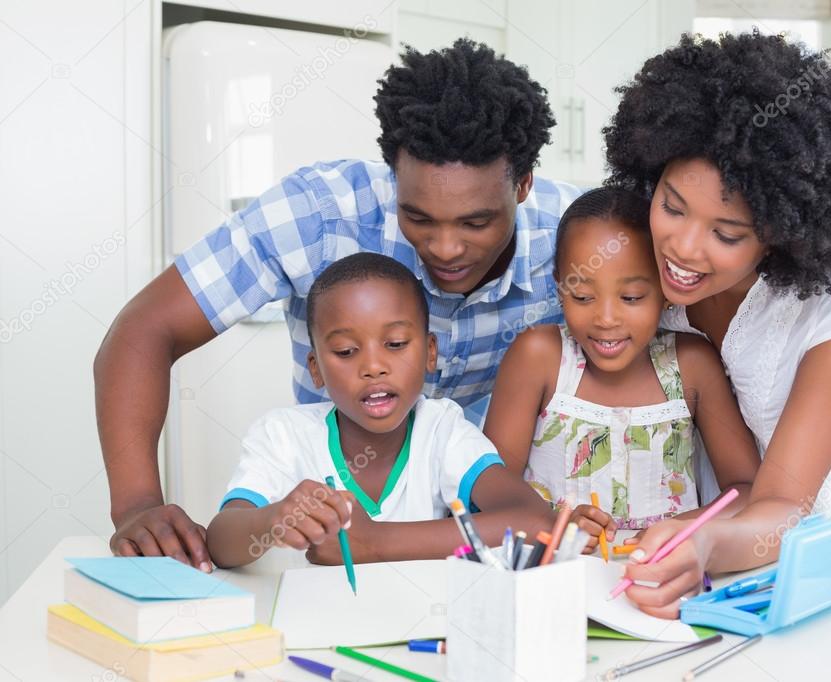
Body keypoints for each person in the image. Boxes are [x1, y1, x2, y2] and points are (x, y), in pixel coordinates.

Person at [94, 39, 580, 570]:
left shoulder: (575, 239)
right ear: (393, 175)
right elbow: (144, 329)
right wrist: (138, 505)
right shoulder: (319, 214)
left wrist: (379, 542)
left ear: (523, 184)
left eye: (476, 222)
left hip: (484, 545)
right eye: (418, 217)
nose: (445, 248)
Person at [602, 32, 831, 617]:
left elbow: (787, 504)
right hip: (707, 549)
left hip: (825, 553)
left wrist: (706, 544)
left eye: (727, 233)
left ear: (781, 233)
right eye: (672, 206)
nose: (683, 249)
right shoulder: (634, 259)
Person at [206, 254, 553, 568]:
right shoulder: (283, 435)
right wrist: (271, 521)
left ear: (430, 353)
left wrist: (375, 542)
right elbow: (221, 543)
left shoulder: (441, 430)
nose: (373, 367)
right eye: (345, 351)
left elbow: (536, 521)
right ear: (315, 369)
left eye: (396, 344)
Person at [485, 187, 761, 552]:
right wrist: (554, 524)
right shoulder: (538, 357)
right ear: (559, 287)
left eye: (631, 298)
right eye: (582, 296)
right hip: (556, 573)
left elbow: (747, 490)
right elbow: (489, 491)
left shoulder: (692, 365)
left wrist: (680, 529)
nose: (606, 318)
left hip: (663, 574)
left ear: (666, 290)